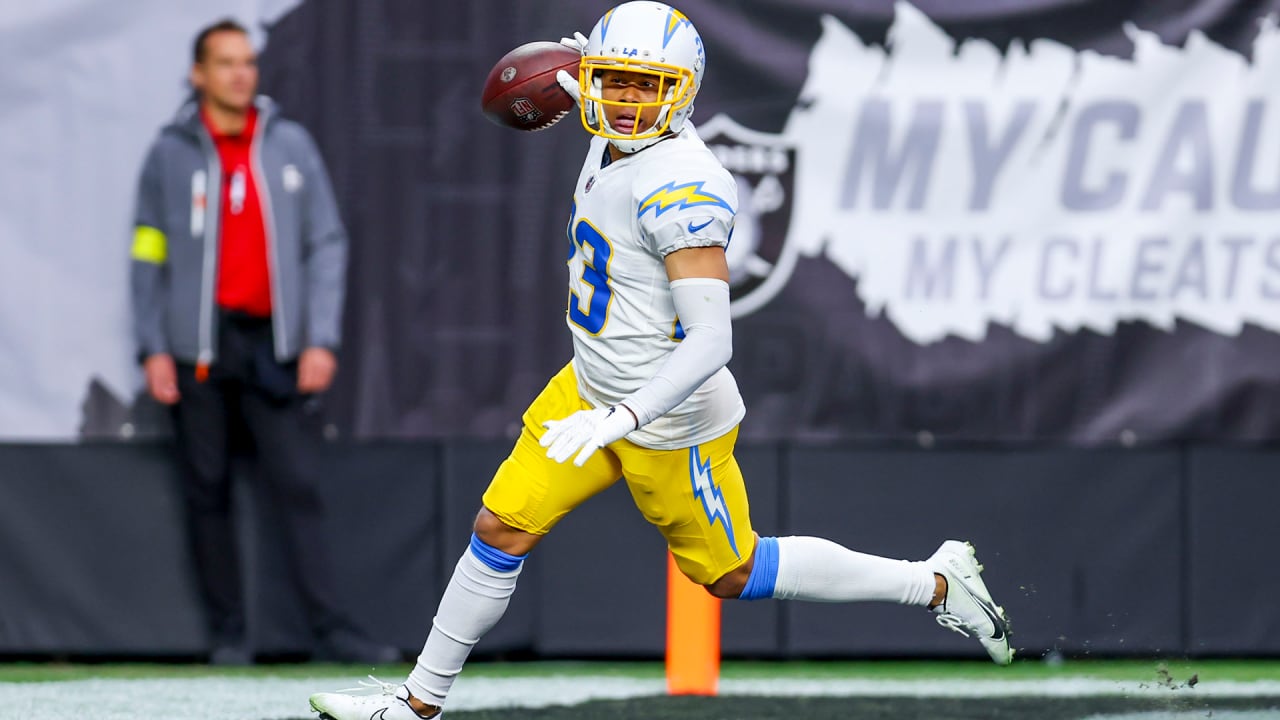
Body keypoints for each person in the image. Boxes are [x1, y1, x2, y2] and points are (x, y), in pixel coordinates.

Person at [310, 1, 1011, 714]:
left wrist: (625, 416)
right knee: (500, 528)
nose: (625, 101)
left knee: (732, 573)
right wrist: (579, 70)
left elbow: (714, 340)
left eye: (648, 86)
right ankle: (417, 705)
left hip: (668, 416)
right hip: (590, 386)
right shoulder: (607, 133)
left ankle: (934, 582)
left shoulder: (685, 188)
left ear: (684, 91)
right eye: (615, 81)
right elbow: (589, 96)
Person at [130, 18, 398, 666]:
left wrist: (320, 338)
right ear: (198, 74)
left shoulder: (290, 144)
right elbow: (147, 252)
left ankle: (332, 631)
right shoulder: (170, 152)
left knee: (298, 488)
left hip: (273, 343)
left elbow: (326, 242)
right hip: (199, 344)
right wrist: (154, 346)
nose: (240, 74)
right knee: (207, 489)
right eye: (225, 63)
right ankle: (229, 636)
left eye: (247, 62)